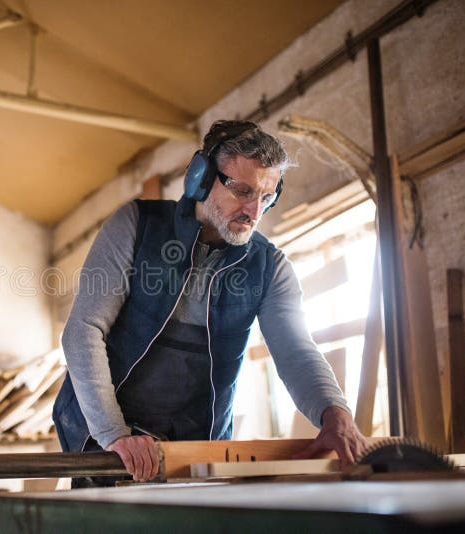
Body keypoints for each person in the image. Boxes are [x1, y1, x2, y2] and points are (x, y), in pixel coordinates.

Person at [53, 120, 367, 486]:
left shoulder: (269, 267)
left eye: (266, 197)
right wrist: (114, 434)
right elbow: (83, 332)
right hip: (113, 443)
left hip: (196, 450)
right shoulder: (137, 227)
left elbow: (296, 352)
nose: (254, 211)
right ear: (201, 179)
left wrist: (336, 415)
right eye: (243, 191)